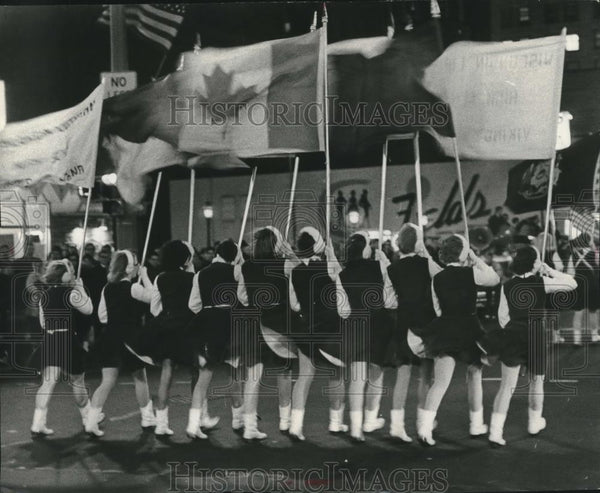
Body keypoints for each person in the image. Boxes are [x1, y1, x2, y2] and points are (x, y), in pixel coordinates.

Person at [480, 246, 577, 446]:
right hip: (536, 335)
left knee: (507, 386)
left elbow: (502, 317)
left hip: (513, 334)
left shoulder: (507, 286)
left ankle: (495, 433)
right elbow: (571, 283)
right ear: (534, 263)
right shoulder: (541, 281)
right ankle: (534, 423)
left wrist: (514, 333)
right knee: (537, 381)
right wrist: (549, 270)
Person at [416, 234, 500, 446]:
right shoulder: (471, 273)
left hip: (445, 328)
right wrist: (476, 259)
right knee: (474, 375)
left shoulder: (438, 278)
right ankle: (476, 423)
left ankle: (425, 429)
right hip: (470, 329)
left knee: (441, 381)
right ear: (463, 252)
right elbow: (494, 279)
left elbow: (437, 309)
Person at [126, 240, 196, 436]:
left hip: (168, 326)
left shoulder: (162, 278)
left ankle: (162, 423)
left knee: (167, 374)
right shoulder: (193, 278)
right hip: (189, 327)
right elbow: (195, 304)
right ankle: (198, 419)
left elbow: (155, 308)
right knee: (197, 372)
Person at [84, 250, 156, 437]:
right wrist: (146, 276)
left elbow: (102, 317)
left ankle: (91, 422)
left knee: (106, 381)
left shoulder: (107, 288)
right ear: (130, 268)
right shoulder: (133, 288)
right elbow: (154, 299)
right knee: (140, 377)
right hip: (130, 338)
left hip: (110, 337)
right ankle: (147, 418)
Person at [335, 232, 398, 442]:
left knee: (357, 379)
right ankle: (371, 419)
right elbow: (389, 298)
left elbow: (342, 310)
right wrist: (385, 261)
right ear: (364, 250)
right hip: (378, 325)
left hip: (355, 326)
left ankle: (355, 427)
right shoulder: (378, 266)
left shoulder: (342, 275)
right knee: (376, 375)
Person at [237, 227, 298, 440]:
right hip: (280, 322)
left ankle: (250, 425)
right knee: (285, 372)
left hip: (255, 321)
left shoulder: (247, 266)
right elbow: (302, 274)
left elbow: (242, 297)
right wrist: (290, 253)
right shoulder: (285, 264)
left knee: (253, 376)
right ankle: (285, 420)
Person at [287, 227, 347, 441]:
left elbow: (294, 305)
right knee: (336, 373)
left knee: (304, 376)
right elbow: (342, 292)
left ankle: (295, 425)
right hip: (329, 327)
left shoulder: (295, 271)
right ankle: (336, 422)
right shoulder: (329, 267)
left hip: (306, 327)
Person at [387, 224, 442, 442]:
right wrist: (426, 254)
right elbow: (442, 278)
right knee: (426, 376)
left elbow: (389, 301)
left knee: (403, 375)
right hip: (426, 323)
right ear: (418, 242)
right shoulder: (426, 263)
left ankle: (396, 425)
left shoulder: (393, 268)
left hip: (403, 322)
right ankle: (423, 422)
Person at [30, 259, 95, 436]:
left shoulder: (44, 295)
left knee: (48, 382)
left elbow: (43, 323)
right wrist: (79, 287)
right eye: (71, 272)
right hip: (67, 340)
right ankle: (88, 419)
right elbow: (88, 309)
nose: (73, 274)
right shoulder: (70, 293)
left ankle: (37, 423)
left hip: (51, 339)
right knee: (77, 380)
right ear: (64, 275)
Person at [186, 239, 242, 439]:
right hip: (228, 322)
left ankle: (193, 423)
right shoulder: (236, 271)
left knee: (204, 376)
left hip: (207, 322)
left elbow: (193, 305)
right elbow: (243, 298)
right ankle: (238, 418)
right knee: (234, 370)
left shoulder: (201, 274)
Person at [571, 233, 600, 344]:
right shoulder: (595, 254)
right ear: (588, 242)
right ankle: (594, 335)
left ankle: (577, 339)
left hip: (578, 286)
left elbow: (570, 272)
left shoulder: (572, 255)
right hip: (593, 286)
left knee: (578, 313)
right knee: (593, 312)